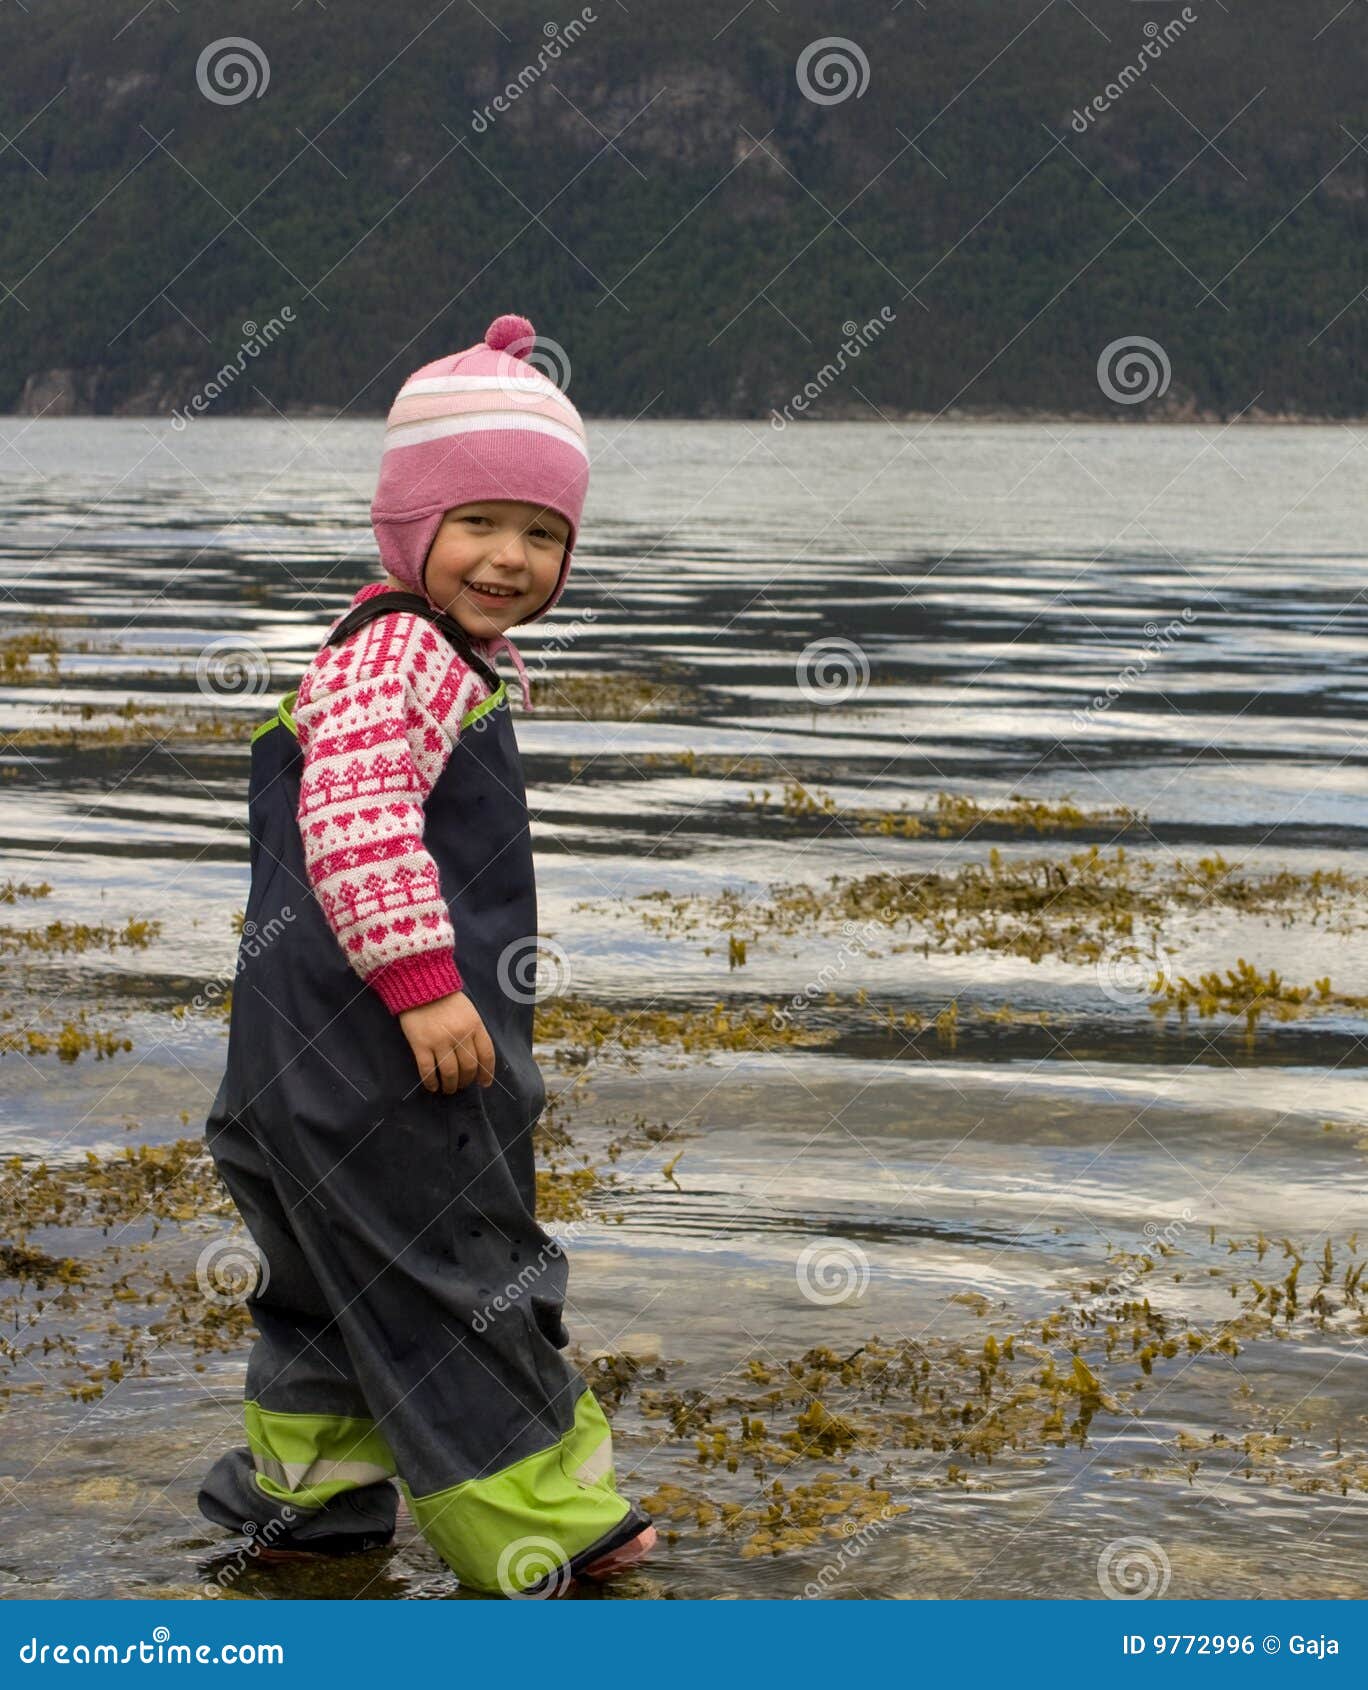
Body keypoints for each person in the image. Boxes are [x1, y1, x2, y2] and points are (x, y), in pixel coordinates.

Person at [196, 312, 656, 1597]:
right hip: (379, 1059)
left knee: (326, 1287)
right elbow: (353, 820)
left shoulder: (419, 653)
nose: (511, 557)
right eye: (479, 522)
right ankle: (546, 1531)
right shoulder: (403, 650)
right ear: (409, 526)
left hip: (293, 1071)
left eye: (544, 533)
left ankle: (308, 1512)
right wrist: (423, 986)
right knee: (461, 1273)